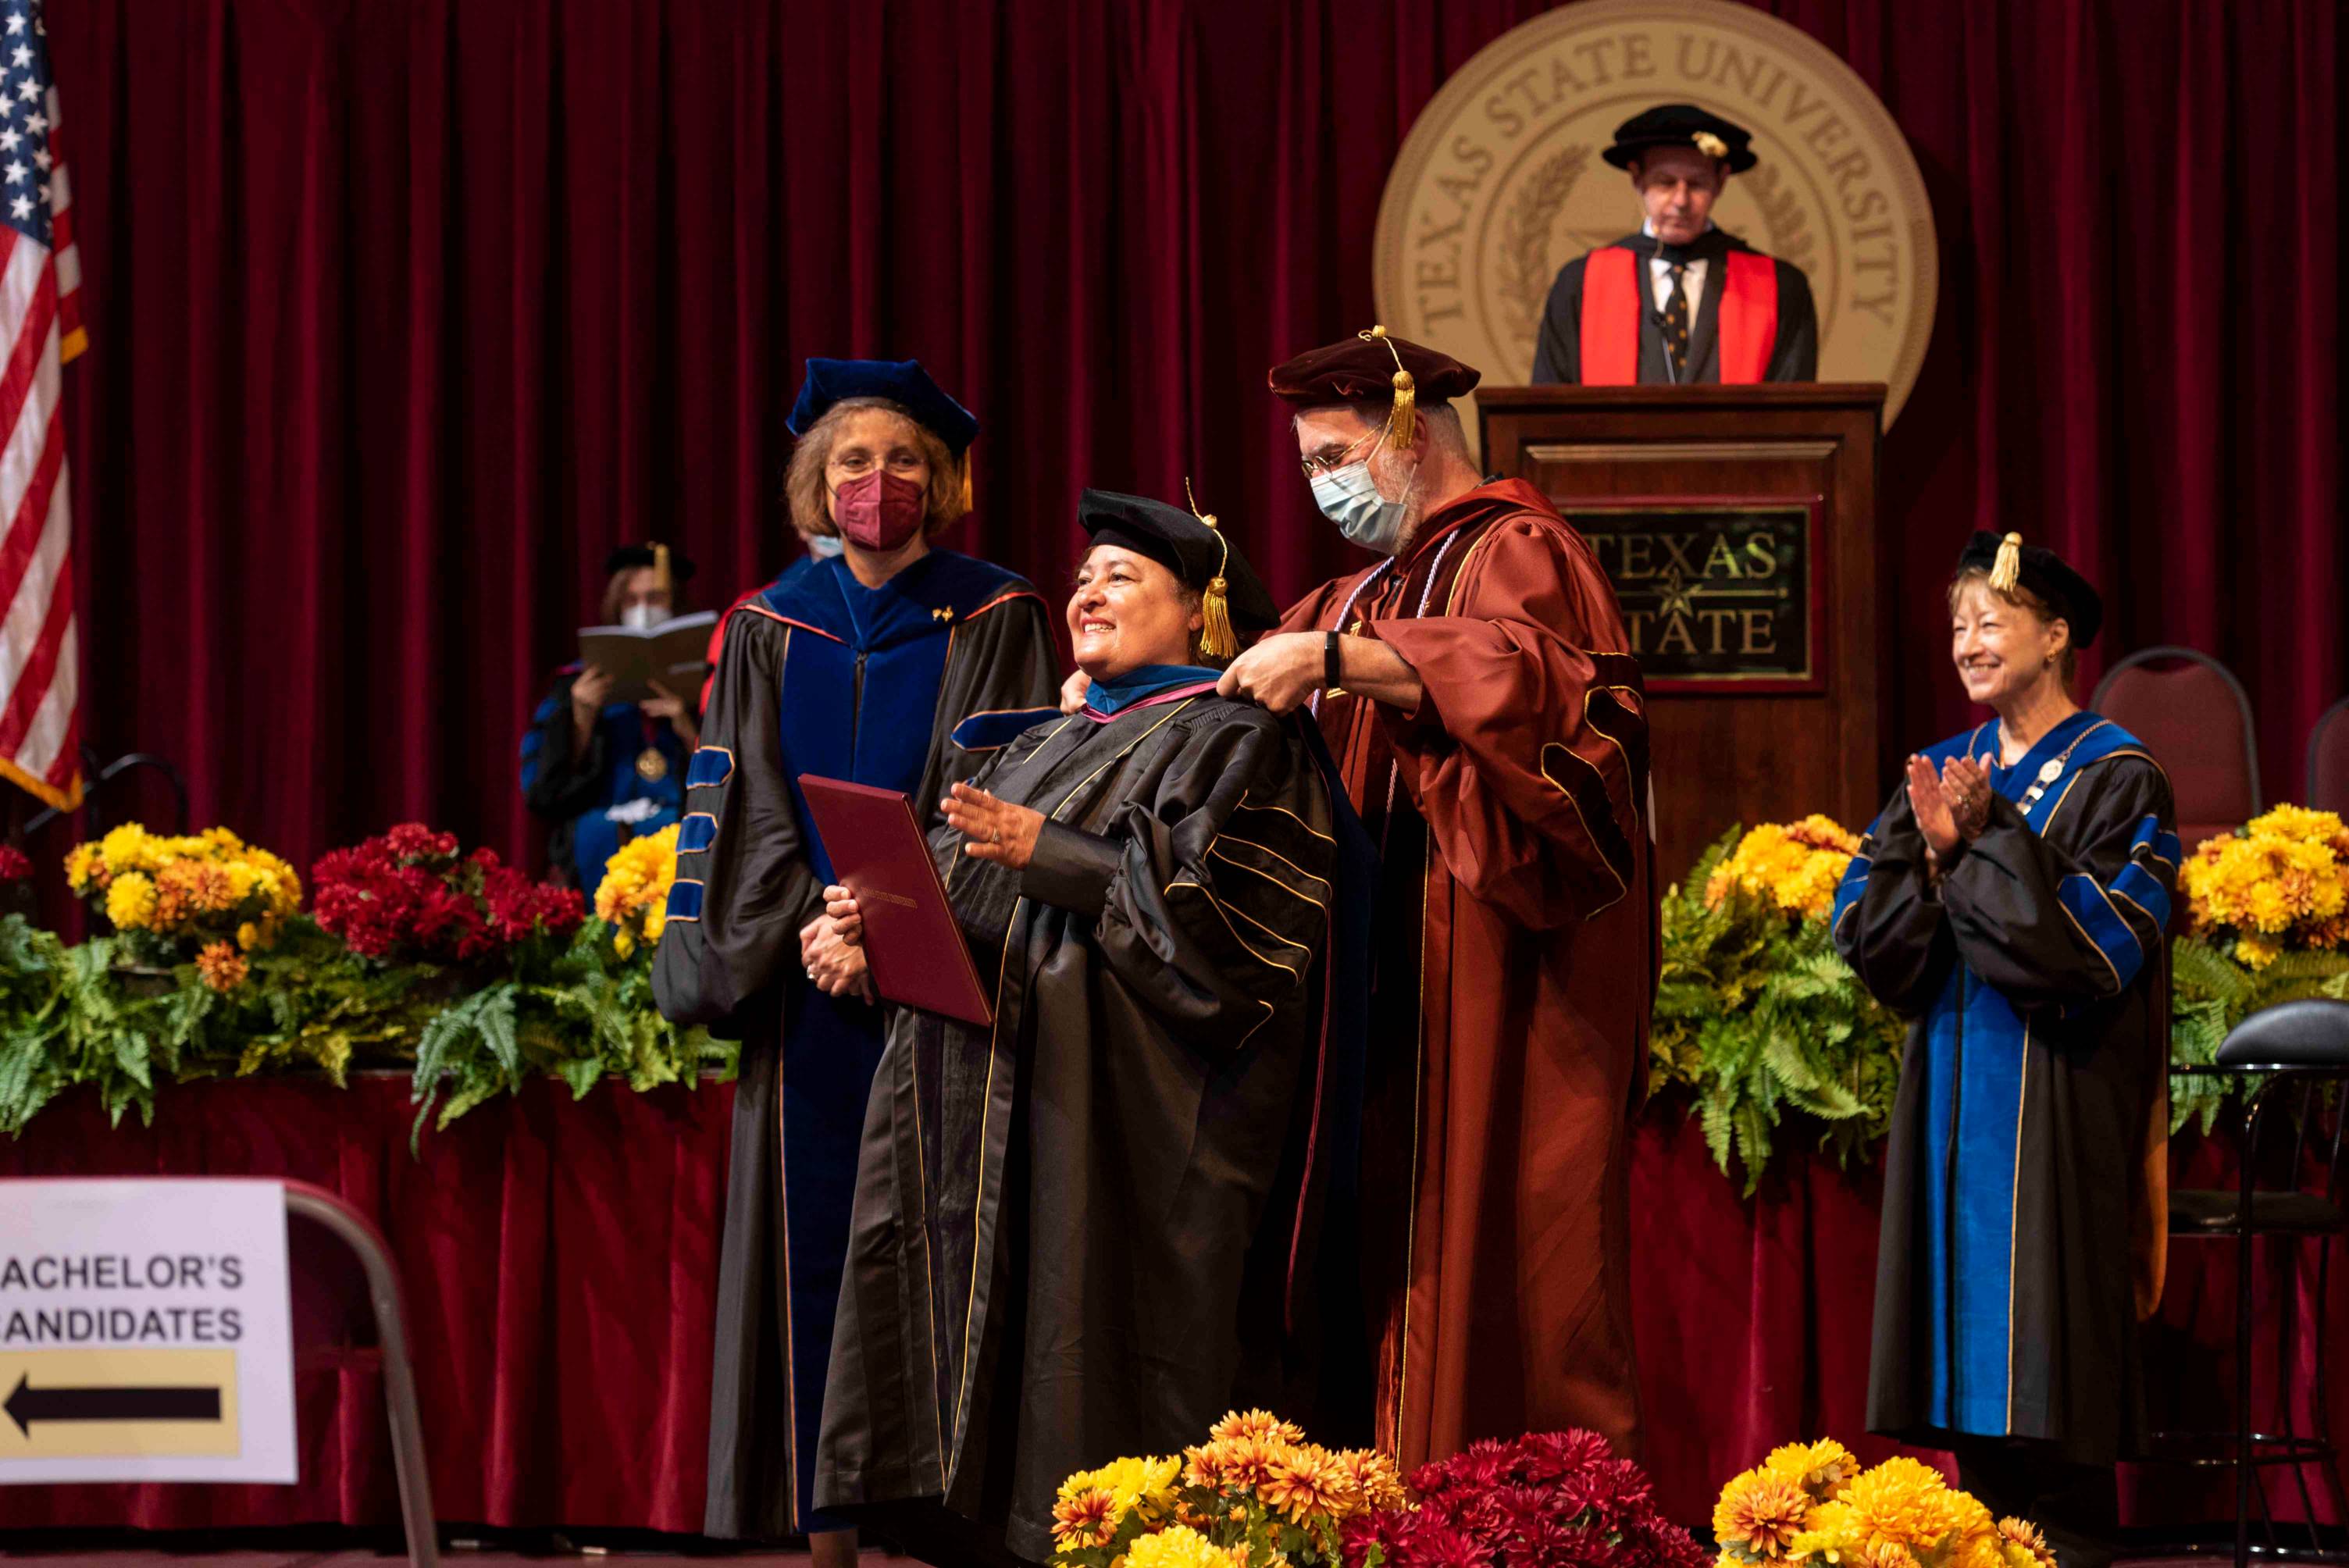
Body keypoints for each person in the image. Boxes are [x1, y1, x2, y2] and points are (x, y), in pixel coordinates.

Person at [808, 490, 1371, 1566]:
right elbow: (962, 898)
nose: (1088, 594)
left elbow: (1231, 949)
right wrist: (873, 924)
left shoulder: (1243, 743)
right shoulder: (1045, 740)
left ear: (1202, 614)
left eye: (1120, 577)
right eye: (1081, 579)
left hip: (1120, 1130)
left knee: (1088, 1390)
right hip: (983, 1105)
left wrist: (1050, 854)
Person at [651, 358, 1059, 1557]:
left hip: (942, 977)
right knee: (816, 1248)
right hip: (808, 988)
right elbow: (745, 808)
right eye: (852, 464)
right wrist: (813, 930)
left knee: (935, 1241)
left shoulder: (996, 614)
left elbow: (994, 791)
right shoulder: (770, 623)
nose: (877, 484)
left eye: (901, 463)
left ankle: (934, 1520)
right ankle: (824, 1526)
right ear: (814, 487)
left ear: (939, 484)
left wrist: (882, 927)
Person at [1232, 326, 1654, 1466]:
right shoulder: (1374, 578)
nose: (1322, 485)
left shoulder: (1519, 546)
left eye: (1335, 456)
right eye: (1309, 462)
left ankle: (1499, 1512)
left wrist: (1348, 662)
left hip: (1485, 969)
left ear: (1411, 434)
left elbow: (1553, 710)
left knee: (1501, 1243)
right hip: (1379, 975)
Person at [1833, 533, 2177, 1568]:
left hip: (2058, 1102)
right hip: (1954, 1097)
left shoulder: (2124, 779)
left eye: (1991, 621)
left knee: (2051, 1368)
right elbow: (1865, 925)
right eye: (1956, 627)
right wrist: (1941, 854)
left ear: (2056, 635)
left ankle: (2067, 1553)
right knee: (1974, 1395)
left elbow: (2091, 951)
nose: (1968, 644)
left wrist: (1978, 849)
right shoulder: (1945, 770)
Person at [1529, 104, 1817, 386]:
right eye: (1665, 183)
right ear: (1637, 178)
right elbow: (1548, 408)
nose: (1681, 201)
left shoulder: (1781, 287)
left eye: (1697, 184)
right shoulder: (1581, 283)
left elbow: (1794, 417)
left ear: (1721, 181)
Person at [520, 542, 701, 888]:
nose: (643, 610)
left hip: (682, 843)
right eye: (631, 600)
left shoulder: (710, 680)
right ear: (615, 606)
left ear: (676, 603)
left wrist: (686, 727)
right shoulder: (574, 685)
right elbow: (543, 795)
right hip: (595, 847)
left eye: (655, 598)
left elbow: (740, 786)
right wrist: (581, 720)